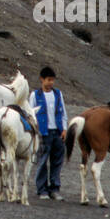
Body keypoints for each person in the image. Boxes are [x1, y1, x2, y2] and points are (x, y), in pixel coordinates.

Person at [30, 67, 68, 200]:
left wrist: (64, 129)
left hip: (57, 132)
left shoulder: (58, 94)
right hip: (43, 133)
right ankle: (42, 190)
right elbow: (31, 114)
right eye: (49, 80)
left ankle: (55, 189)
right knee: (42, 162)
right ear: (42, 79)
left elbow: (63, 112)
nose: (51, 82)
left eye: (53, 80)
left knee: (57, 161)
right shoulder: (35, 95)